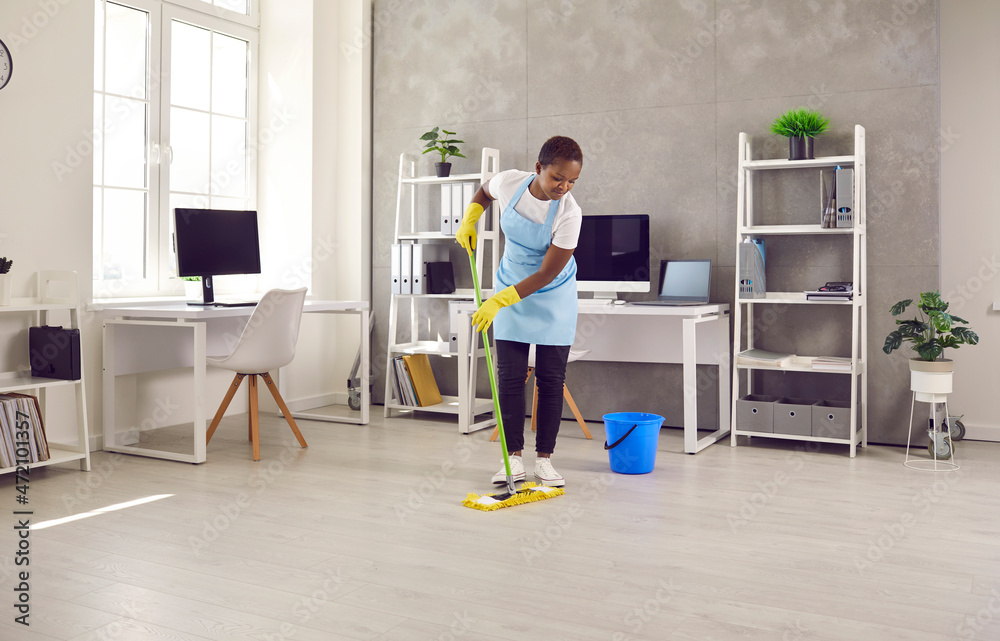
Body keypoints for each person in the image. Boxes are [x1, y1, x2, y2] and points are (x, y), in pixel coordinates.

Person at [456, 136, 583, 488]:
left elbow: (545, 274)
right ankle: (511, 459)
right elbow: (485, 191)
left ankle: (544, 460)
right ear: (539, 168)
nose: (565, 187)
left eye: (572, 181)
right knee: (509, 378)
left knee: (551, 379)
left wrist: (497, 301)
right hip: (509, 281)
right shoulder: (511, 182)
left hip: (552, 295)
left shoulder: (570, 214)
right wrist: (471, 216)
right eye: (558, 178)